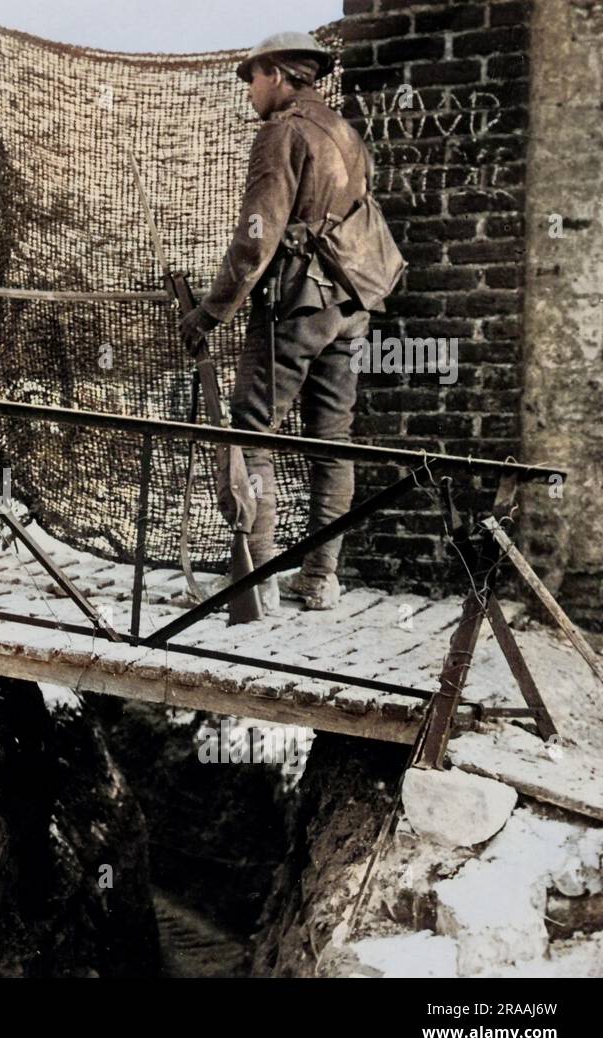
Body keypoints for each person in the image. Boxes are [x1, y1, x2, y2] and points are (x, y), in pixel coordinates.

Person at [178, 32, 386, 610]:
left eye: (252, 77)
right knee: (333, 443)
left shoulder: (281, 132)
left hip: (296, 305)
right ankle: (321, 578)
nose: (249, 90)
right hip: (352, 307)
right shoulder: (345, 133)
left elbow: (255, 239)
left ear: (276, 74)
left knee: (252, 434)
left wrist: (210, 311)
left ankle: (257, 580)